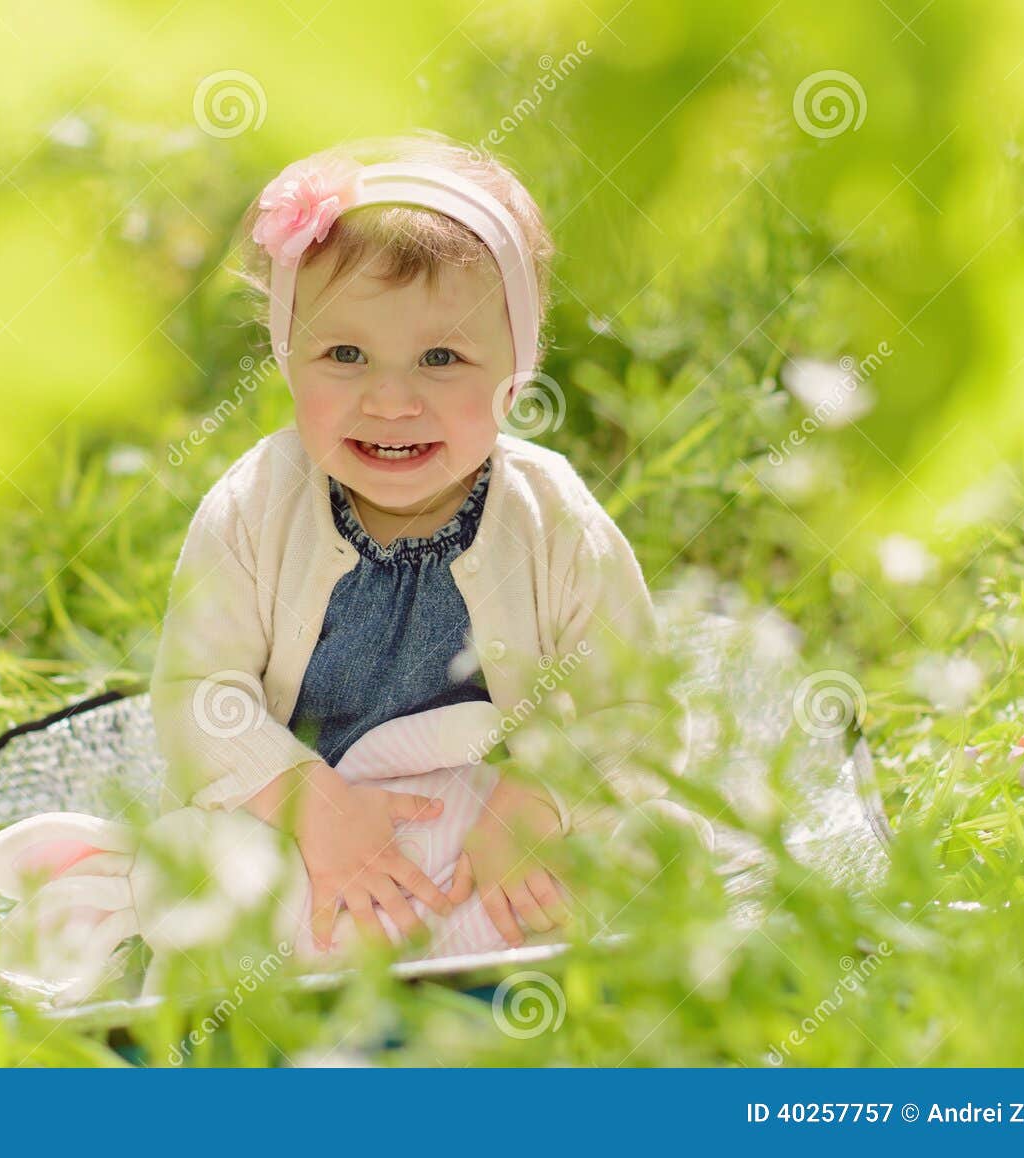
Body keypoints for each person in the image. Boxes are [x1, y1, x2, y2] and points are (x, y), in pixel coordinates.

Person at [150, 131, 674, 958]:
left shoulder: (553, 517)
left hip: (499, 807)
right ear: (289, 358)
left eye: (442, 357)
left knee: (640, 868)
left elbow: (631, 701)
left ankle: (509, 1007)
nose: (391, 400)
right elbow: (194, 694)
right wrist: (310, 809)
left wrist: (538, 805)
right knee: (204, 888)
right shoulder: (255, 508)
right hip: (309, 803)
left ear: (518, 369)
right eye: (345, 354)